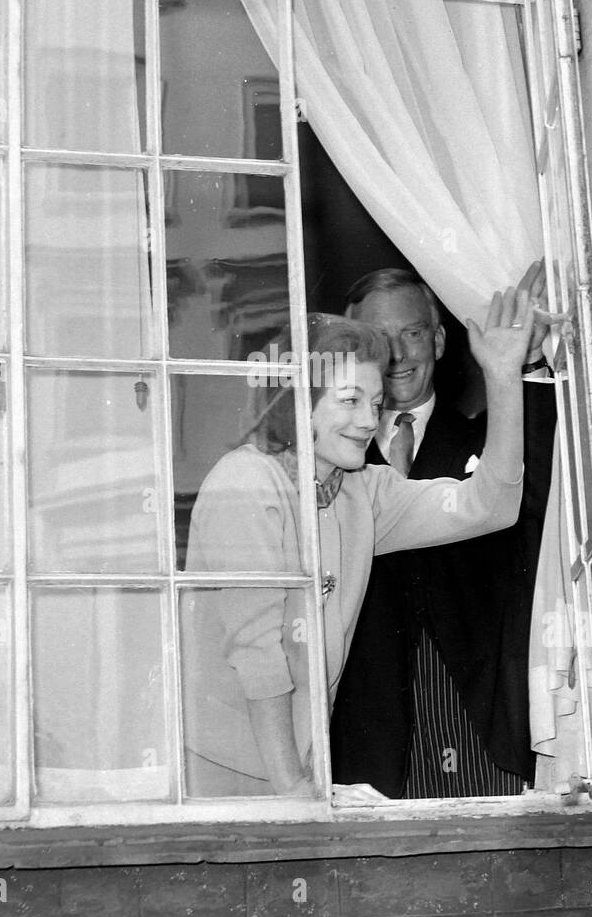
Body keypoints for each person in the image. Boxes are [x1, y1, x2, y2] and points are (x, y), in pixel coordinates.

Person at [182, 286, 545, 799]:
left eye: (375, 403)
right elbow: (257, 657)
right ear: (297, 397)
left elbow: (489, 506)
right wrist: (293, 791)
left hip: (301, 768)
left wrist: (504, 377)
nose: (369, 420)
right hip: (224, 769)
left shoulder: (359, 490)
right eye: (349, 401)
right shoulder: (246, 482)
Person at [328, 263, 558, 798]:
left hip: (474, 718)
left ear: (437, 339)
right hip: (365, 735)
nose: (399, 355)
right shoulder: (332, 459)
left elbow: (538, 496)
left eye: (411, 333)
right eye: (379, 341)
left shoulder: (489, 440)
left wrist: (521, 371)